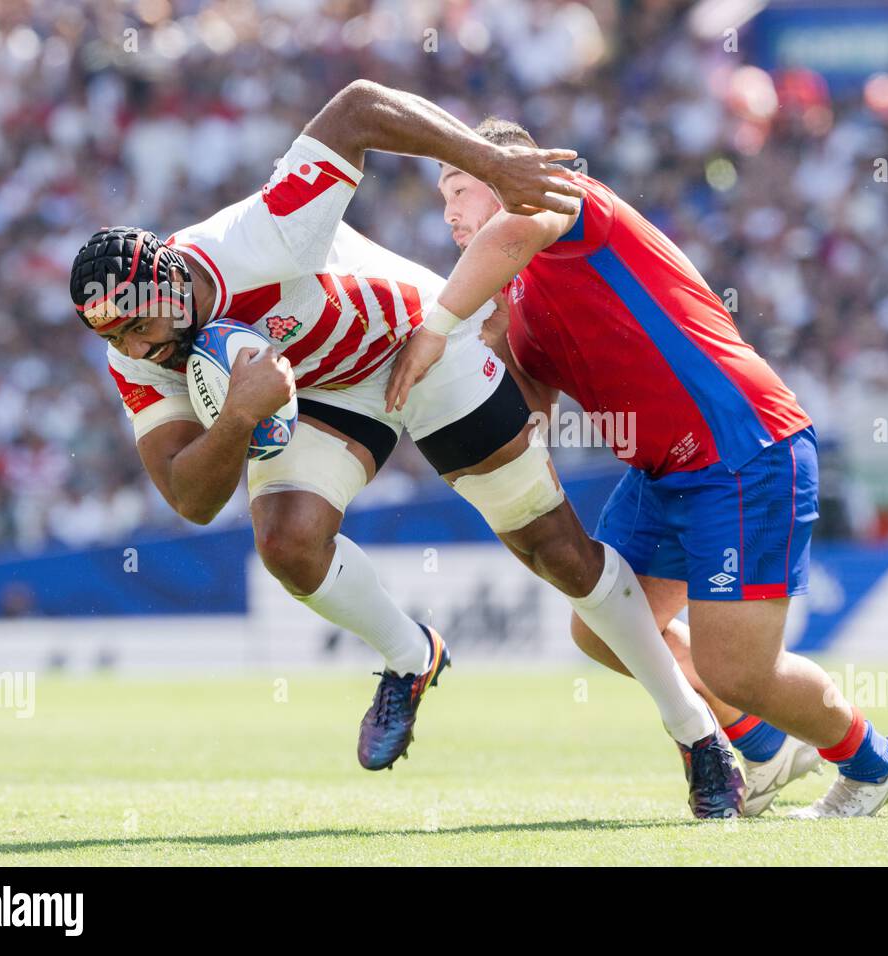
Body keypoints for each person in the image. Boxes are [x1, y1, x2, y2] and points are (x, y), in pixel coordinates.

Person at [70, 79, 743, 818]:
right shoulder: (136, 354)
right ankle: (413, 657)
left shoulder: (259, 237)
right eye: (114, 338)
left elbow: (357, 105)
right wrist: (235, 419)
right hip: (324, 391)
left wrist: (492, 160)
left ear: (171, 282)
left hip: (420, 345)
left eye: (137, 328)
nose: (134, 349)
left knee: (557, 551)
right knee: (288, 544)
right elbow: (187, 498)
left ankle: (695, 731)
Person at [388, 117, 888, 819]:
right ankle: (762, 750)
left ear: (508, 174)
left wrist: (435, 327)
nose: (449, 209)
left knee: (739, 669)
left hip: (741, 448)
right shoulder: (510, 295)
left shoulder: (559, 198)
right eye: (442, 194)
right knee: (604, 625)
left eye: (460, 186)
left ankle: (872, 763)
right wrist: (486, 351)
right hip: (663, 472)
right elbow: (533, 408)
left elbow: (521, 225)